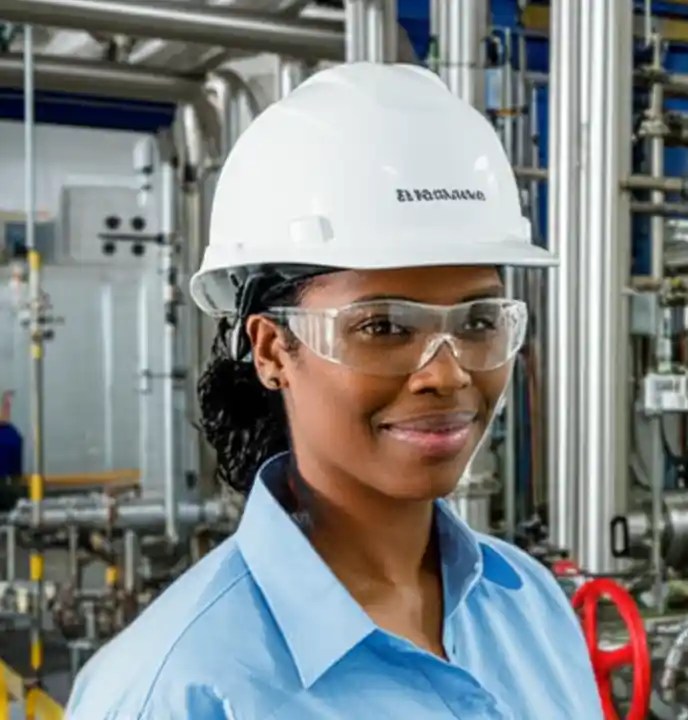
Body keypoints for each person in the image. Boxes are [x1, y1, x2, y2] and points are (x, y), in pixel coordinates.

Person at [66, 63, 601, 719]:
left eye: (479, 322)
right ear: (272, 351)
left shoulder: (529, 605)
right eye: (382, 327)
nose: (447, 374)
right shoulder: (176, 687)